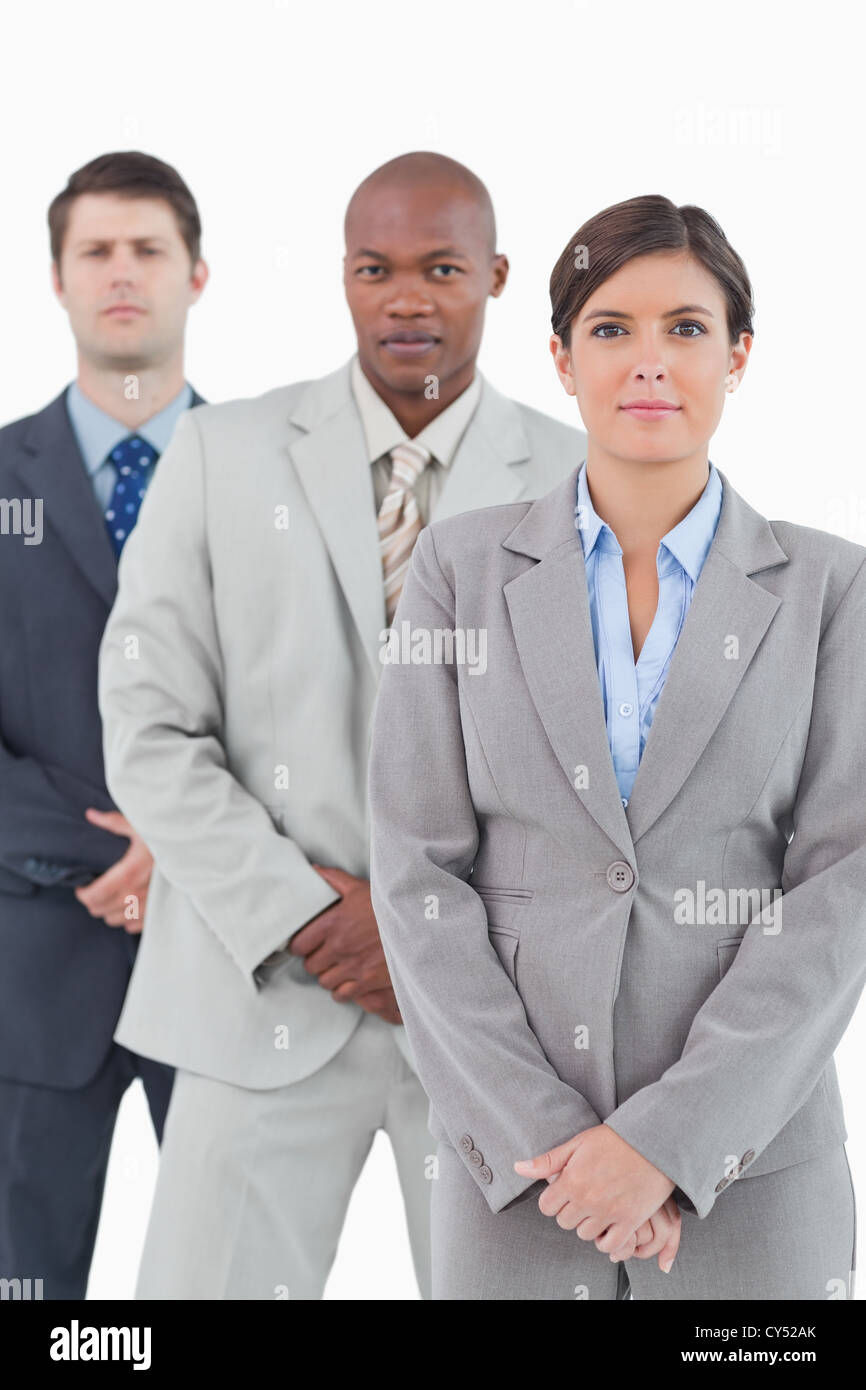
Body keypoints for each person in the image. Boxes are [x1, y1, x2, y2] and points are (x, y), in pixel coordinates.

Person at [97, 151, 587, 1300]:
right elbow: (149, 720)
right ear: (343, 278)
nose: (406, 297)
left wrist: (417, 932)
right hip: (257, 992)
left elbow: (602, 769)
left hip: (500, 1022)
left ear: (497, 276)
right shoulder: (223, 454)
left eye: (441, 268)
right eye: (376, 268)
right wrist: (308, 913)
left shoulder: (579, 479)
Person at [367, 193, 863, 1301]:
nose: (649, 361)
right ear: (557, 356)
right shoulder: (458, 570)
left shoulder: (831, 588)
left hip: (750, 1177)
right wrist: (555, 1145)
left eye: (685, 328)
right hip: (522, 1181)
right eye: (609, 328)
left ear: (737, 356)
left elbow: (839, 887)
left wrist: (666, 1146)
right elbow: (415, 872)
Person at [0, 150, 208, 1299]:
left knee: (228, 1279)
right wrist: (113, 851)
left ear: (197, 273)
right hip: (31, 966)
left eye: (148, 250)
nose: (122, 273)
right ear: (57, 278)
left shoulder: (274, 479)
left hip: (230, 963)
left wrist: (182, 854)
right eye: (97, 251)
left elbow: (321, 712)